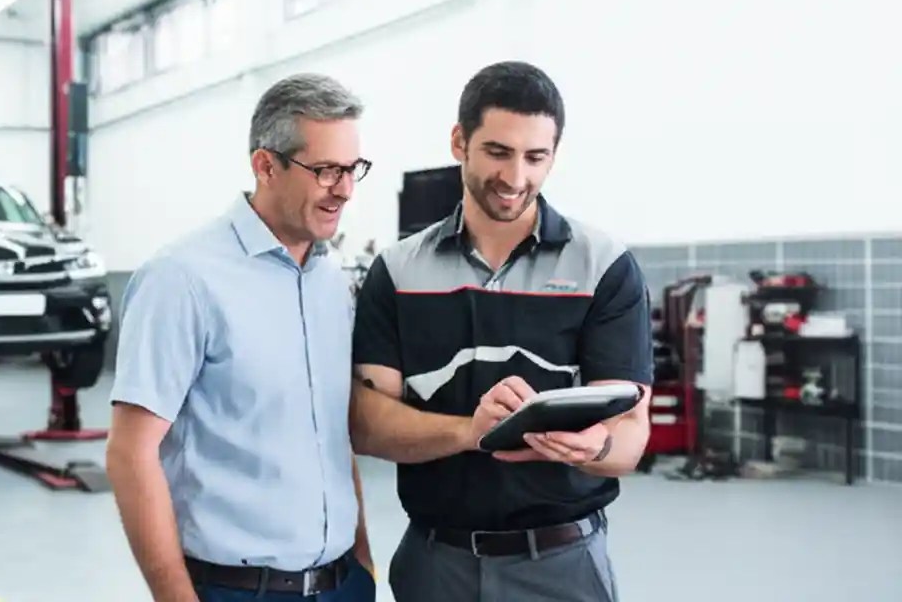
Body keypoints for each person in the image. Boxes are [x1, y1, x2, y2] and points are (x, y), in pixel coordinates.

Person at [349, 60, 653, 602]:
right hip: (434, 566)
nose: (516, 178)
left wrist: (590, 445)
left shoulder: (604, 266)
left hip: (563, 567)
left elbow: (630, 436)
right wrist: (474, 431)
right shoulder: (396, 273)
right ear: (459, 141)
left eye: (536, 157)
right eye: (497, 152)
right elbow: (367, 425)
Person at [106, 73, 378, 602]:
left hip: (342, 584)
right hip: (236, 589)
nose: (344, 189)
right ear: (265, 165)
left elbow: (332, 434)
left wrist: (361, 559)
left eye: (352, 170)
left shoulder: (330, 279)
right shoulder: (182, 279)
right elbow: (130, 452)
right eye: (325, 170)